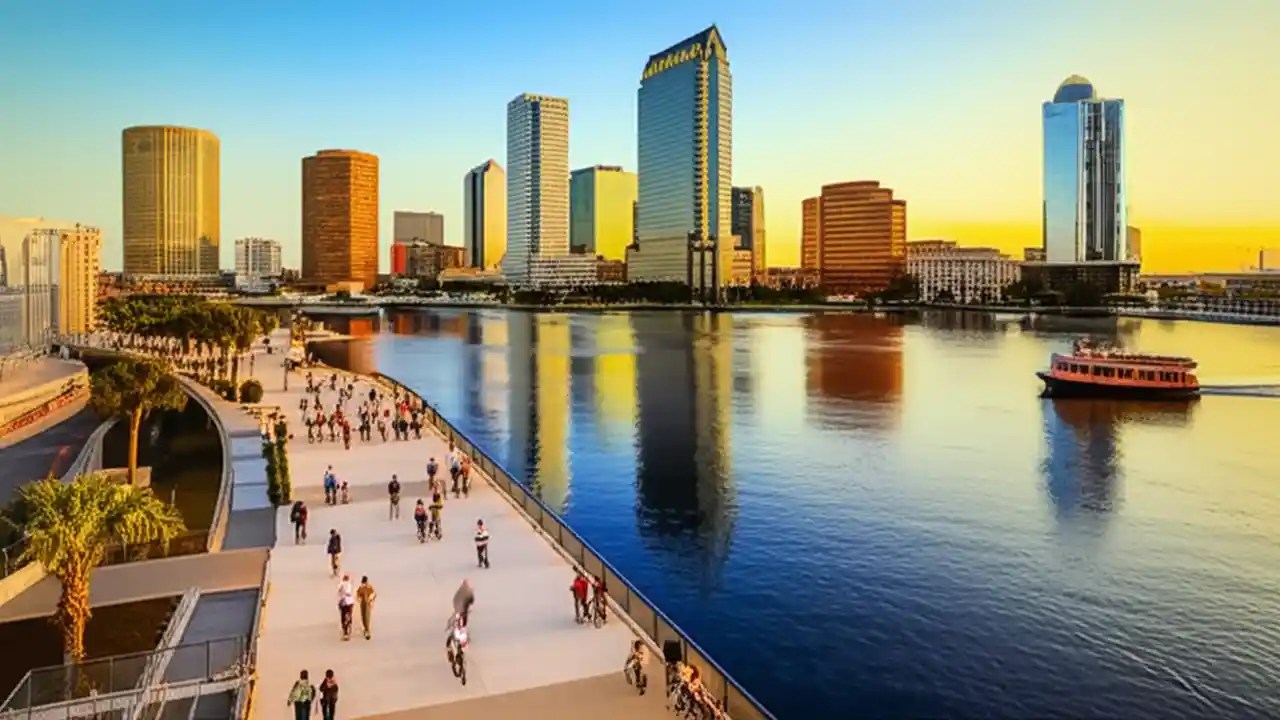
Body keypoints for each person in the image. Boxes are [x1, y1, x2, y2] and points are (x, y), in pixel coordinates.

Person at [356, 576, 377, 640]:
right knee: (363, 617)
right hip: (362, 604)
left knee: (367, 617)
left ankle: (367, 631)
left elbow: (374, 594)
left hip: (368, 604)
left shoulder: (369, 587)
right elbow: (358, 594)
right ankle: (365, 629)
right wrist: (359, 599)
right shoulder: (361, 587)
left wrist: (371, 600)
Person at [337, 575, 355, 640]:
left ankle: (345, 632)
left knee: (343, 617)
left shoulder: (341, 584)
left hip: (343, 603)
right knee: (349, 615)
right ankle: (349, 624)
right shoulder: (349, 584)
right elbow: (350, 592)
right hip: (350, 602)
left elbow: (339, 592)